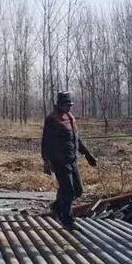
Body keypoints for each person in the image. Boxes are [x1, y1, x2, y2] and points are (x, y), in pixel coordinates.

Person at [41, 90, 97, 229]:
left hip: (72, 159)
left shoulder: (70, 117)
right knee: (68, 191)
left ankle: (57, 206)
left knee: (78, 190)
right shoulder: (52, 119)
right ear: (60, 104)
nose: (69, 107)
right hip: (59, 161)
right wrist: (46, 161)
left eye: (70, 105)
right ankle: (67, 220)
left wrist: (87, 154)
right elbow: (45, 142)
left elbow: (76, 138)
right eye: (67, 105)